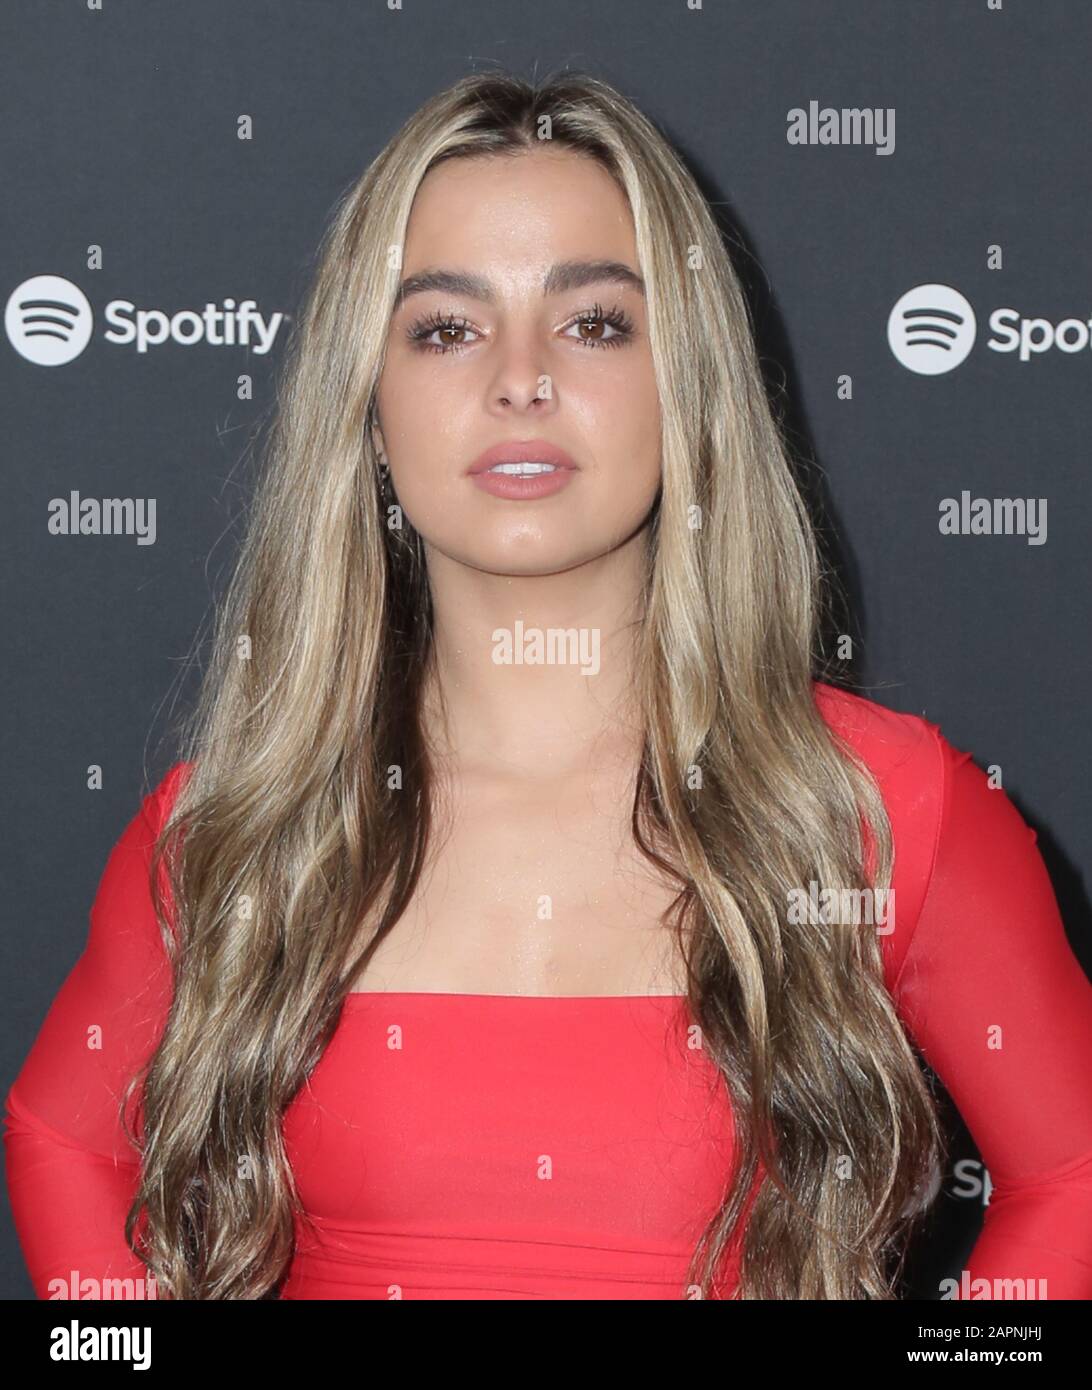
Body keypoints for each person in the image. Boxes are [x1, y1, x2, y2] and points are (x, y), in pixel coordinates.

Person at [6, 69, 1092, 1301]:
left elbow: (1077, 1177)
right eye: (446, 328)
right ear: (367, 412)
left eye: (594, 323)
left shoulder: (882, 810)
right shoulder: (239, 826)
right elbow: (60, 1139)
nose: (520, 378)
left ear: (688, 387)